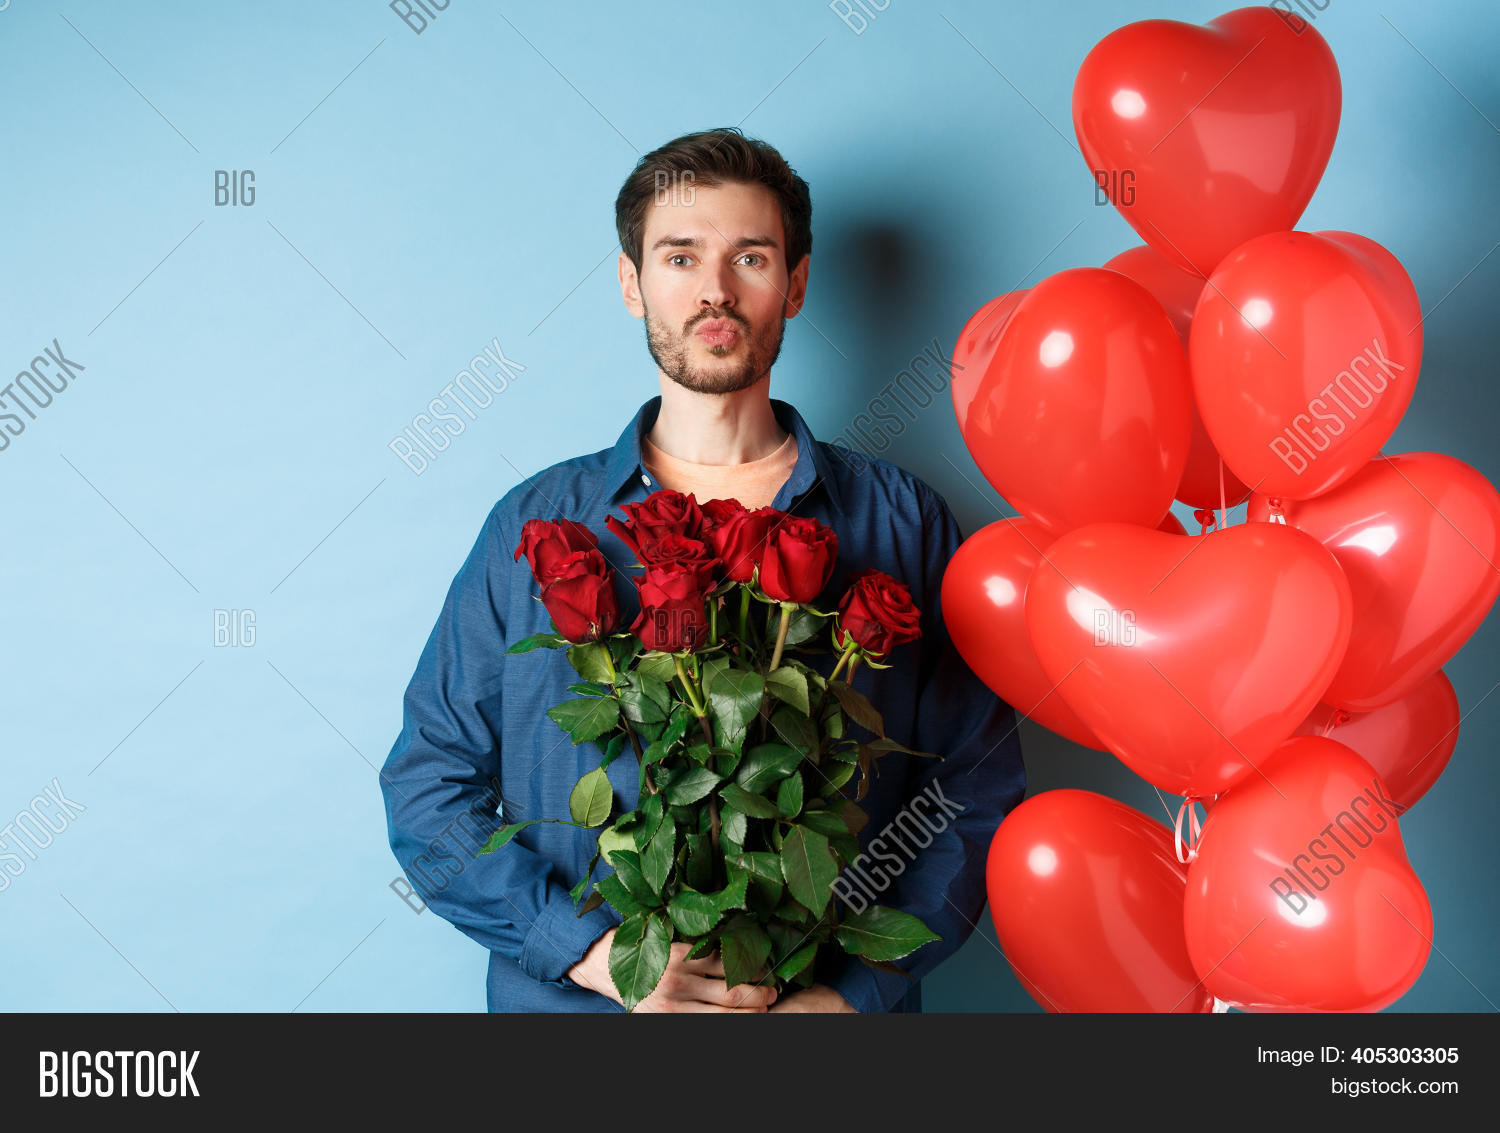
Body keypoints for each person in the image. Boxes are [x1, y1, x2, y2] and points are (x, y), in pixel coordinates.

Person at [381, 127, 1025, 1012]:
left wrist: (855, 994)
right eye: (680, 256)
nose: (715, 291)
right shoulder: (536, 527)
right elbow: (428, 787)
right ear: (631, 281)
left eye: (750, 257)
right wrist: (600, 957)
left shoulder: (900, 520)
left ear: (794, 285)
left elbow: (973, 785)